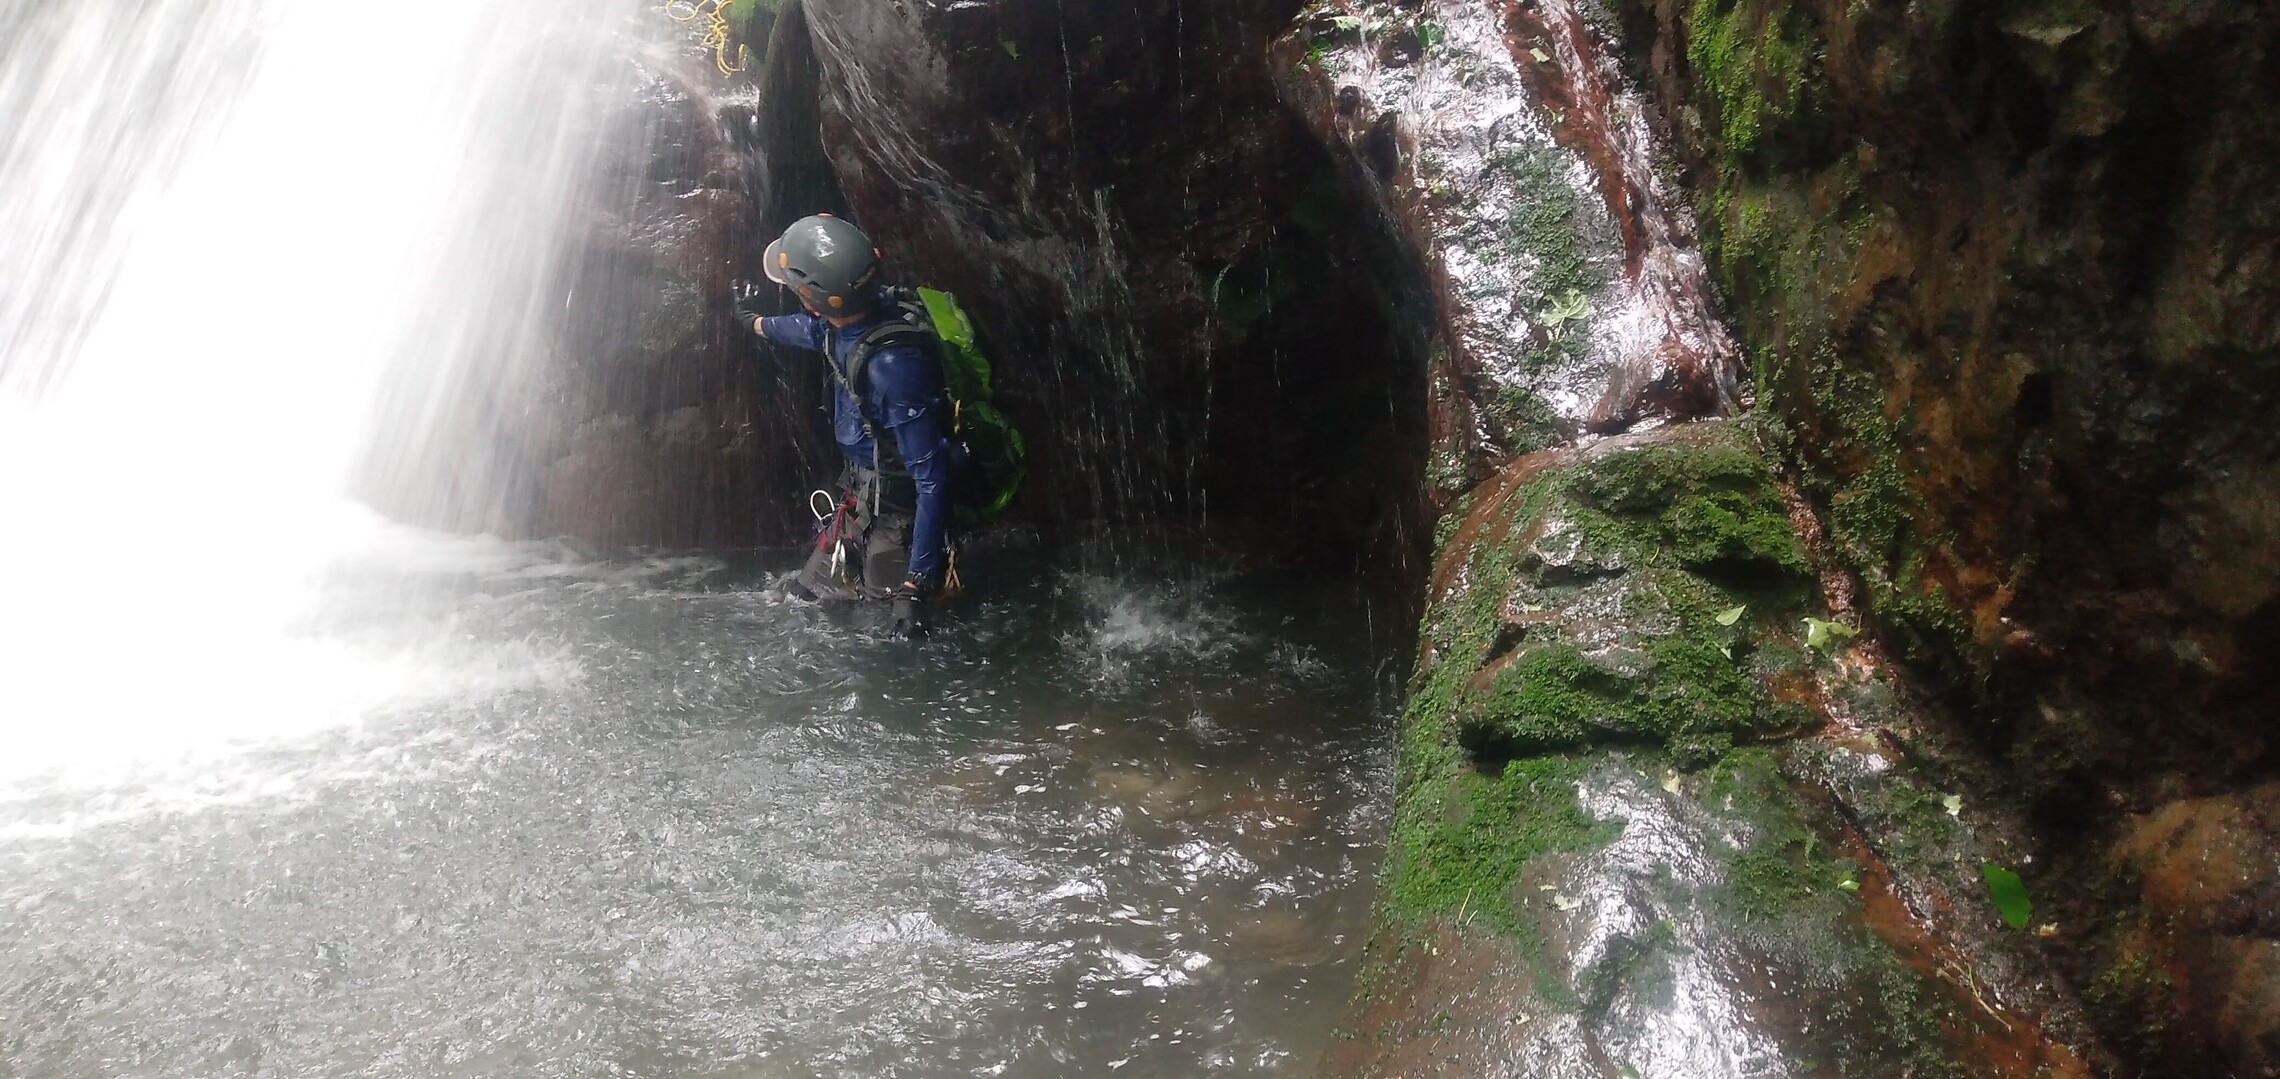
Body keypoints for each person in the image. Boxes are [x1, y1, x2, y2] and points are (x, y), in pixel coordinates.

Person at [733, 214, 955, 637]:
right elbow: (807, 332)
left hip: (898, 515)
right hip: (861, 499)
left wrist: (917, 584)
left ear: (813, 300)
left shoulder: (894, 369)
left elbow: (934, 477)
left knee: (891, 638)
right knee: (802, 601)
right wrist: (754, 322)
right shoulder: (845, 326)